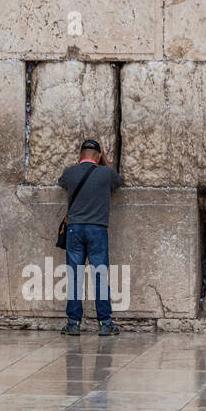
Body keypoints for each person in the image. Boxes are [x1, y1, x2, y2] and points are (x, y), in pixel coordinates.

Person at [58, 138, 122, 336]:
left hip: (75, 229)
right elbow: (118, 182)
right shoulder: (107, 173)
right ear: (99, 155)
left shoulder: (70, 173)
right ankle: (105, 323)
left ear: (80, 155)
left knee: (74, 275)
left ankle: (73, 323)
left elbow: (62, 184)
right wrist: (105, 161)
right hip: (97, 230)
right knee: (100, 275)